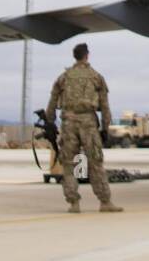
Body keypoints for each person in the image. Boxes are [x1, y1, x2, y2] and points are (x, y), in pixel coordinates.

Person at [45, 44, 122, 213]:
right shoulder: (96, 77)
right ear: (87, 55)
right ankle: (105, 201)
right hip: (88, 123)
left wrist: (50, 122)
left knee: (68, 164)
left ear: (75, 56)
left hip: (68, 123)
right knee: (95, 162)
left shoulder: (64, 77)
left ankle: (73, 203)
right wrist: (105, 127)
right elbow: (104, 105)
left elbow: (52, 102)